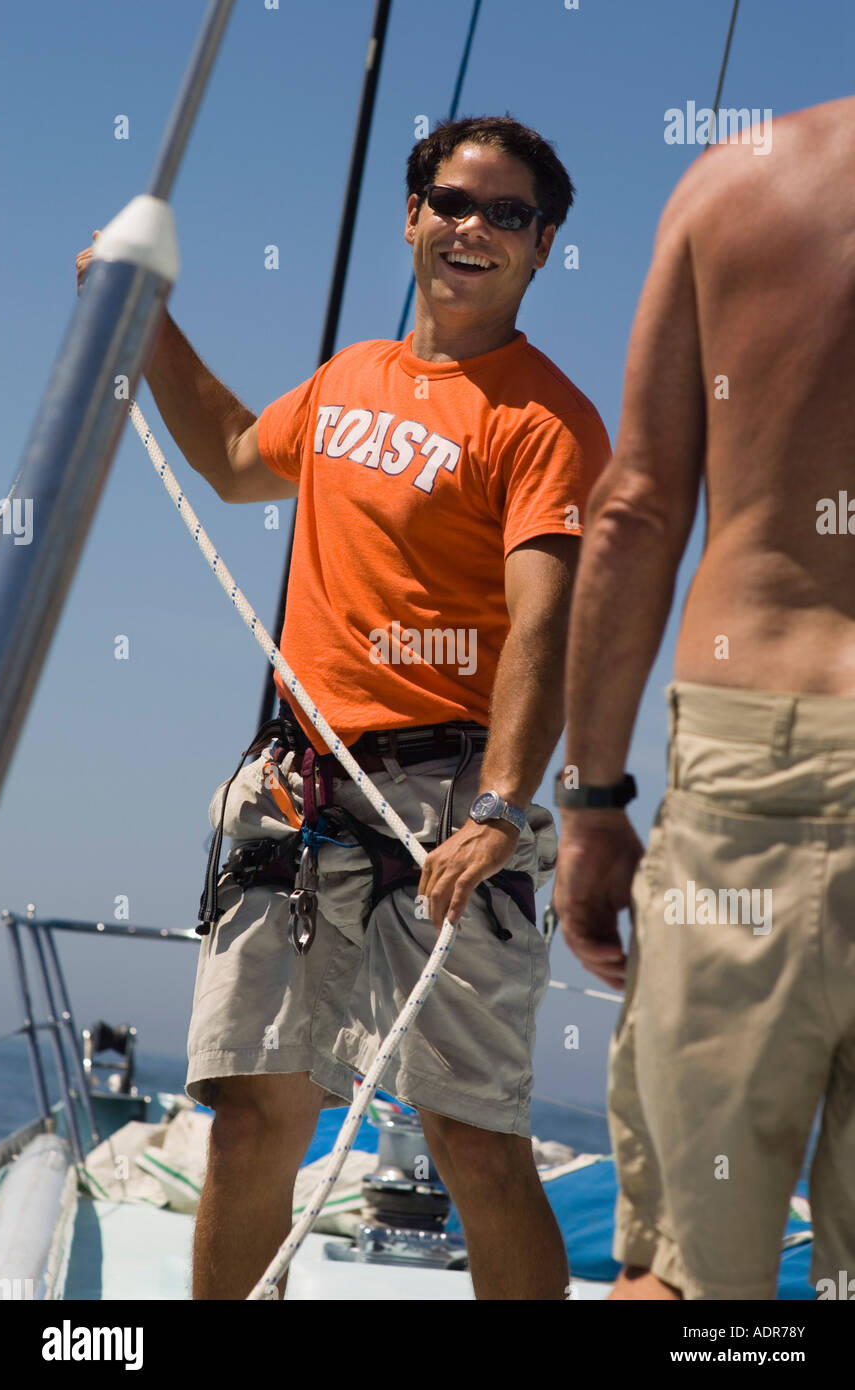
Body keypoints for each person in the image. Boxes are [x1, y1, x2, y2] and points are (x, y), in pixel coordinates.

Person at [76, 114, 611, 1300]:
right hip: (296, 788)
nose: (474, 228)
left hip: (451, 802)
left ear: (542, 246)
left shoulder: (545, 422)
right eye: (453, 202)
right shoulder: (345, 382)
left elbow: (547, 621)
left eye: (507, 214)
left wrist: (500, 804)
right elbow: (224, 456)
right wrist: (141, 318)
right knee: (254, 1120)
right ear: (412, 216)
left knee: (472, 1138)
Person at [553, 95, 855, 1302]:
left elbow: (632, 512)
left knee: (683, 1278)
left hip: (753, 767)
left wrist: (590, 803)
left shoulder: (739, 180)